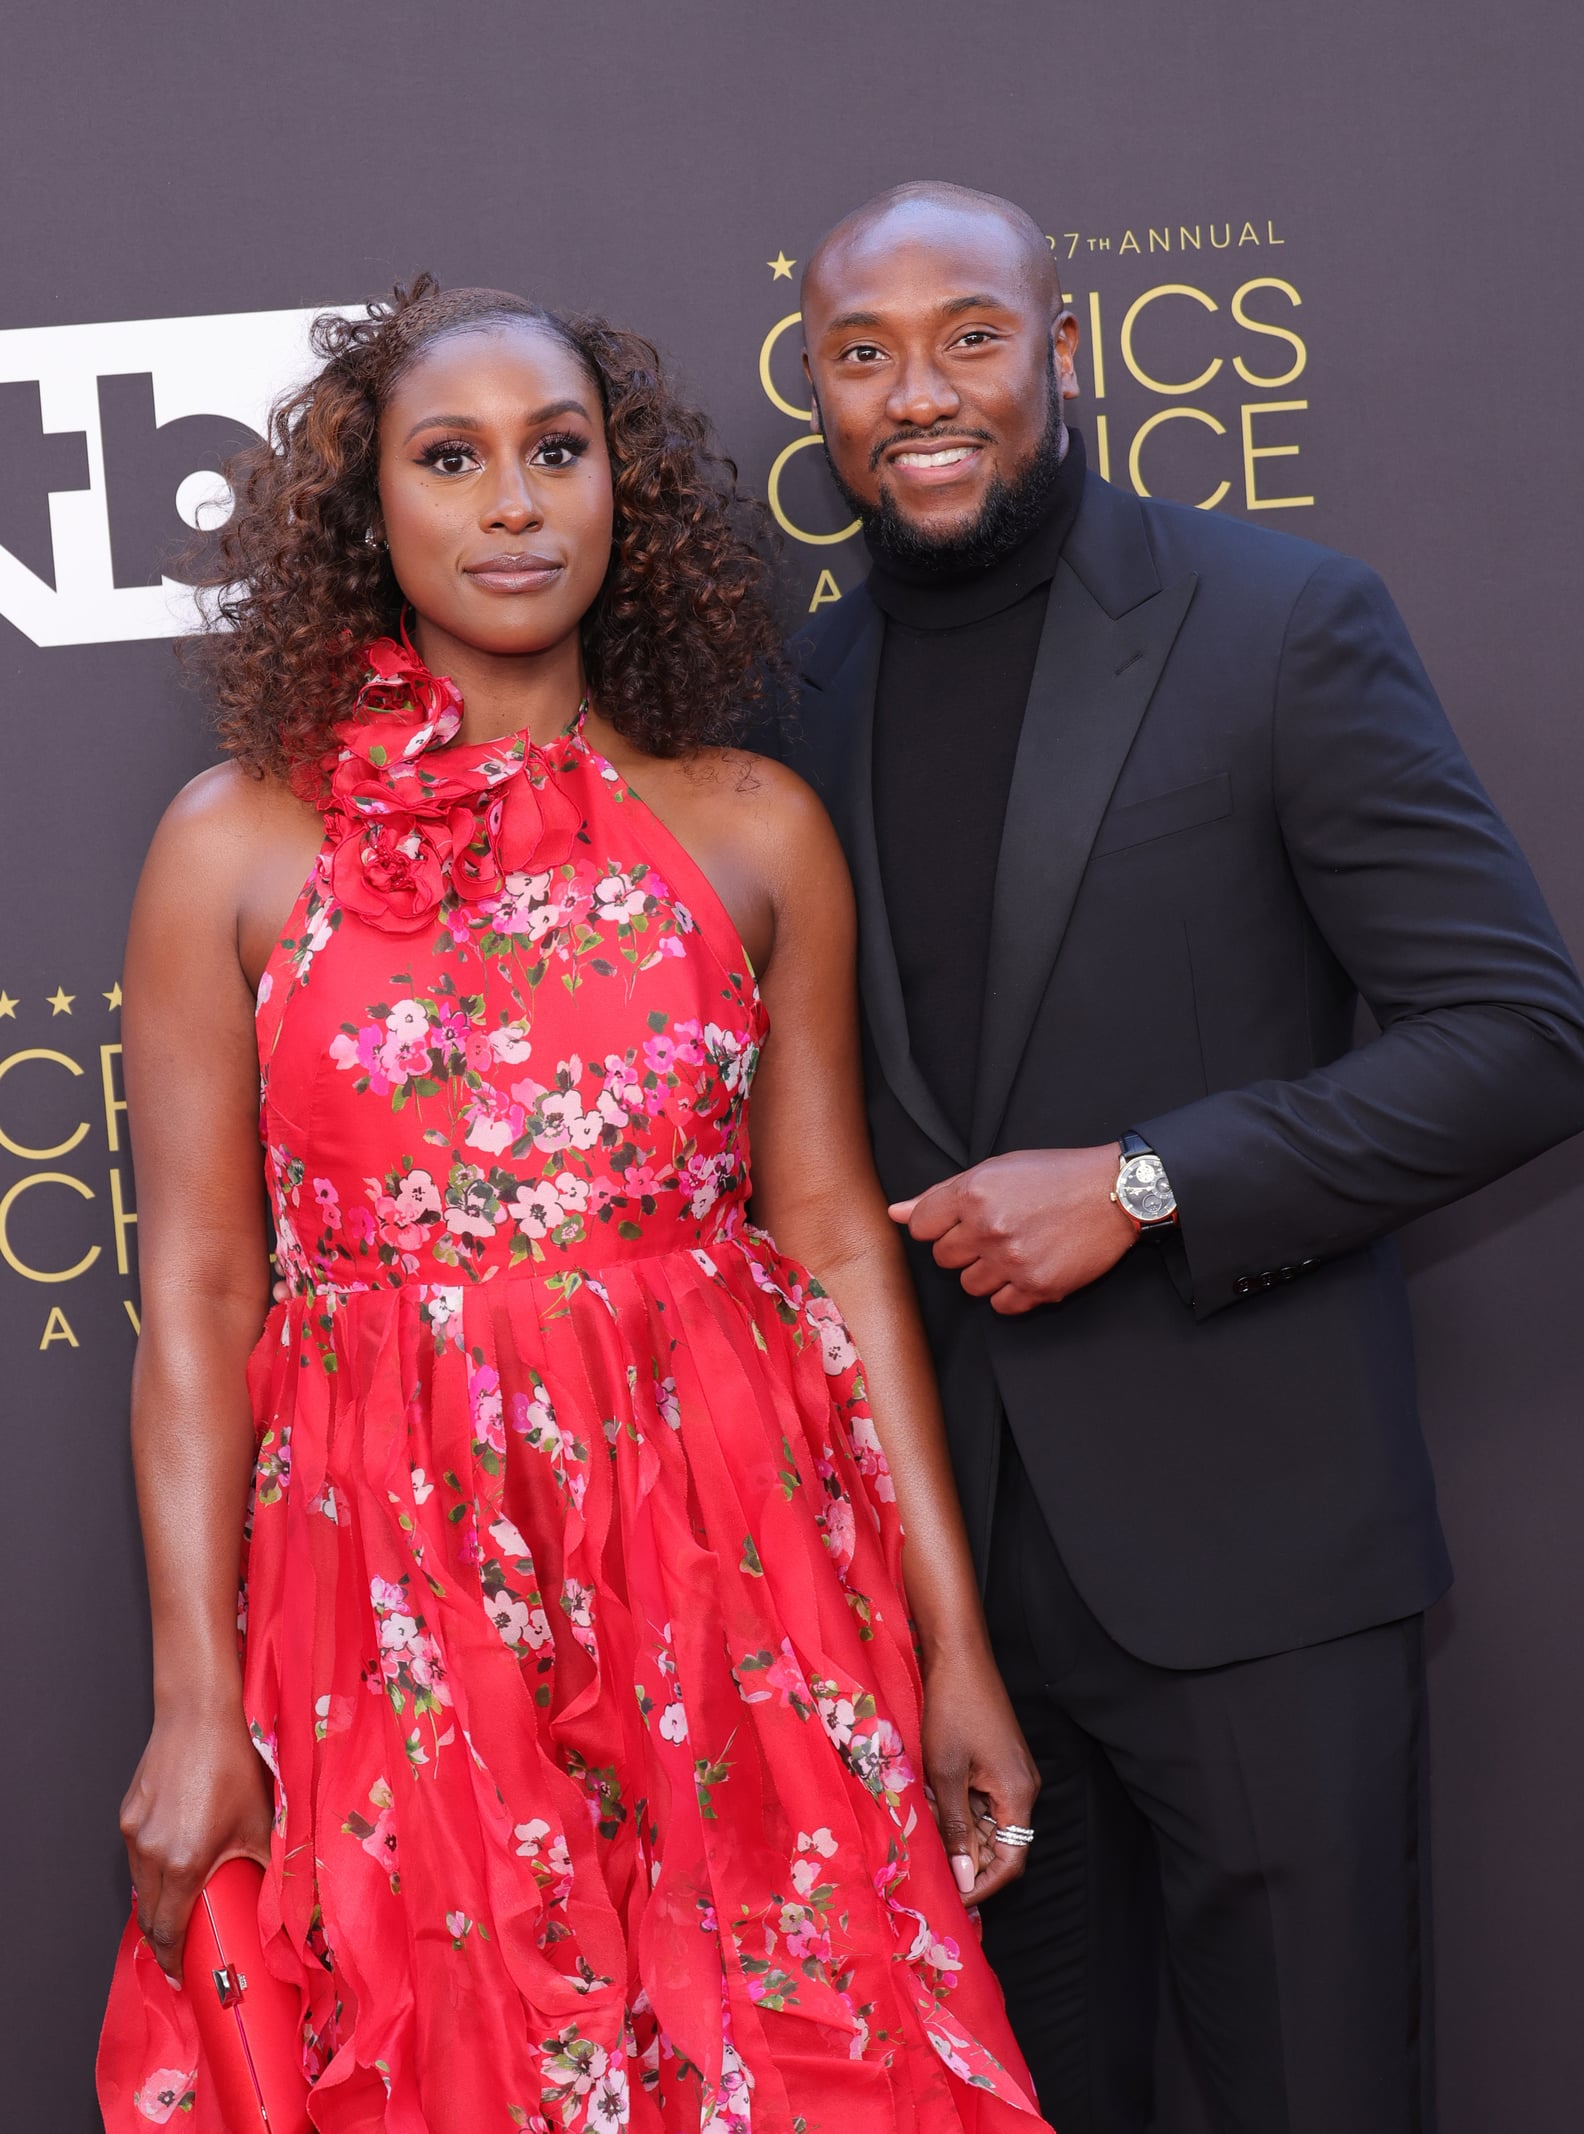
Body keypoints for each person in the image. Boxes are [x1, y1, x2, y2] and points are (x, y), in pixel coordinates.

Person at [96, 276, 1055, 2134]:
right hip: (381, 1575)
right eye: (450, 460)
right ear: (369, 515)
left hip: (732, 1563)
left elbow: (838, 1235)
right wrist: (195, 1694)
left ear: (631, 490)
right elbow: (204, 1285)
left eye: (557, 450)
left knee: (792, 2066)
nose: (513, 503)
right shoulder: (234, 842)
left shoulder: (751, 824)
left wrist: (952, 1646)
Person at [769, 182, 1584, 2132]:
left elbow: (1521, 1035)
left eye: (969, 332)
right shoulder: (781, 702)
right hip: (940, 1601)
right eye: (861, 351)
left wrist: (1145, 1179)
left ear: (1063, 345)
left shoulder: (1282, 623)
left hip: (1261, 1560)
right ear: (816, 388)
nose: (918, 390)